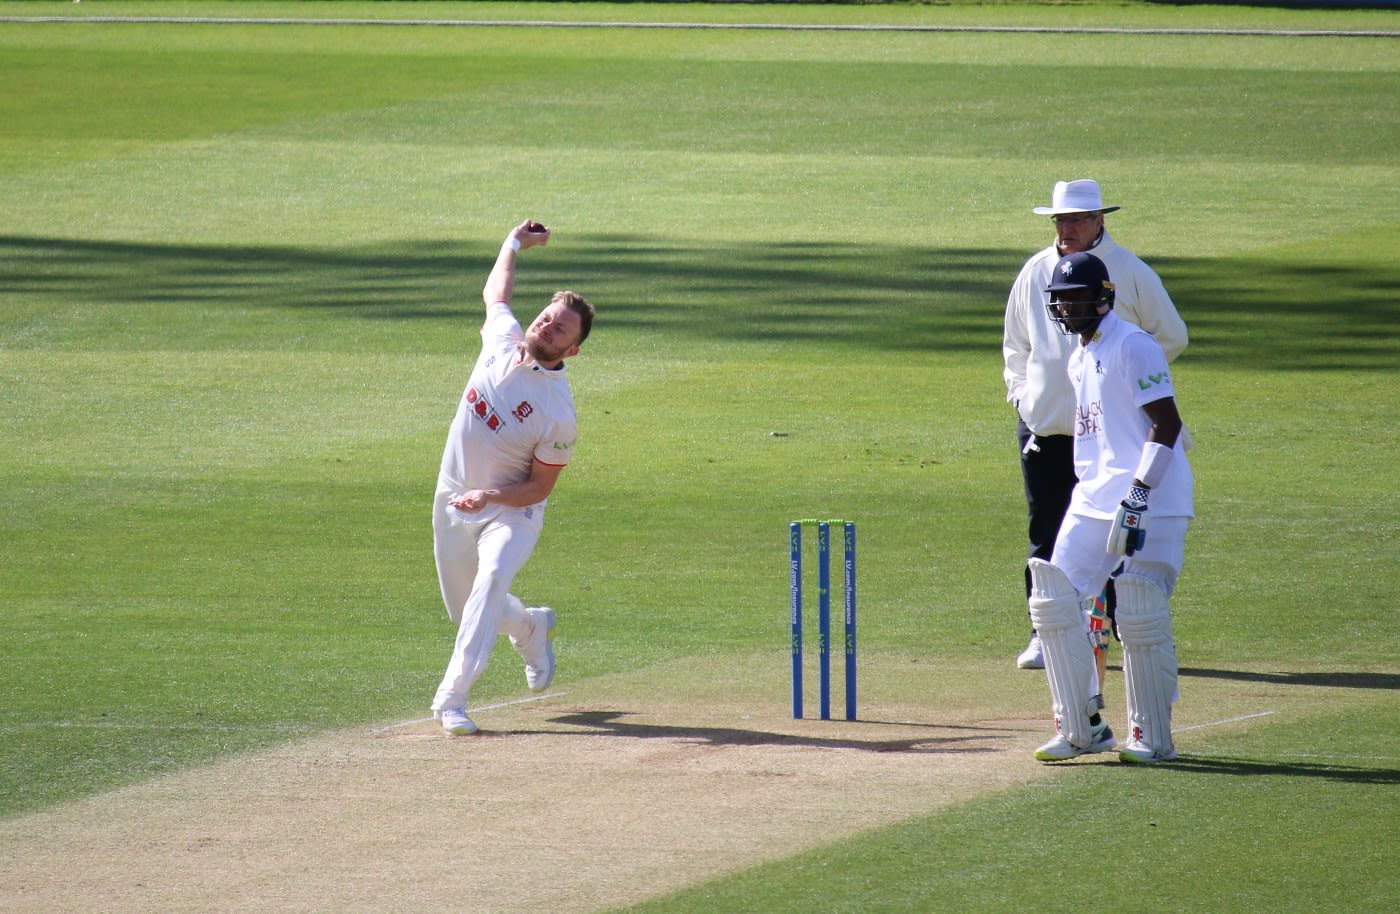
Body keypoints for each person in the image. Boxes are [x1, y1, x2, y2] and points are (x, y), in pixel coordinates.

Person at [1003, 179, 1188, 672]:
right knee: (1047, 531)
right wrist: (1023, 398)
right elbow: (1015, 346)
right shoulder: (1035, 271)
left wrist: (1123, 381)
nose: (1067, 228)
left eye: (1078, 219)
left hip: (1111, 438)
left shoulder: (1129, 271)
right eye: (1061, 221)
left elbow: (1170, 336)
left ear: (1100, 220)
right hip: (1046, 428)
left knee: (1116, 536)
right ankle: (1046, 635)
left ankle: (1115, 632)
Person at [429, 219, 595, 736]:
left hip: (512, 511)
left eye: (560, 329)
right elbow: (495, 292)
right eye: (547, 318)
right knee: (469, 611)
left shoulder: (558, 413)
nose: (547, 326)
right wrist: (512, 243)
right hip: (455, 500)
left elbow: (540, 488)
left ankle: (452, 699)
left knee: (491, 580)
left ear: (572, 351)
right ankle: (531, 626)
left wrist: (492, 495)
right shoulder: (500, 340)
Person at [1029, 250, 1192, 764]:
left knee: (1140, 607)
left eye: (1076, 299)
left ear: (1103, 299)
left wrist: (1140, 492)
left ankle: (1151, 736)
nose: (1067, 308)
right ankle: (1081, 727)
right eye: (1060, 300)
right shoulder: (1079, 356)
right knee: (1054, 599)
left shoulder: (1135, 346)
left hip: (1154, 498)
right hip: (1095, 495)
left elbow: (1165, 423)